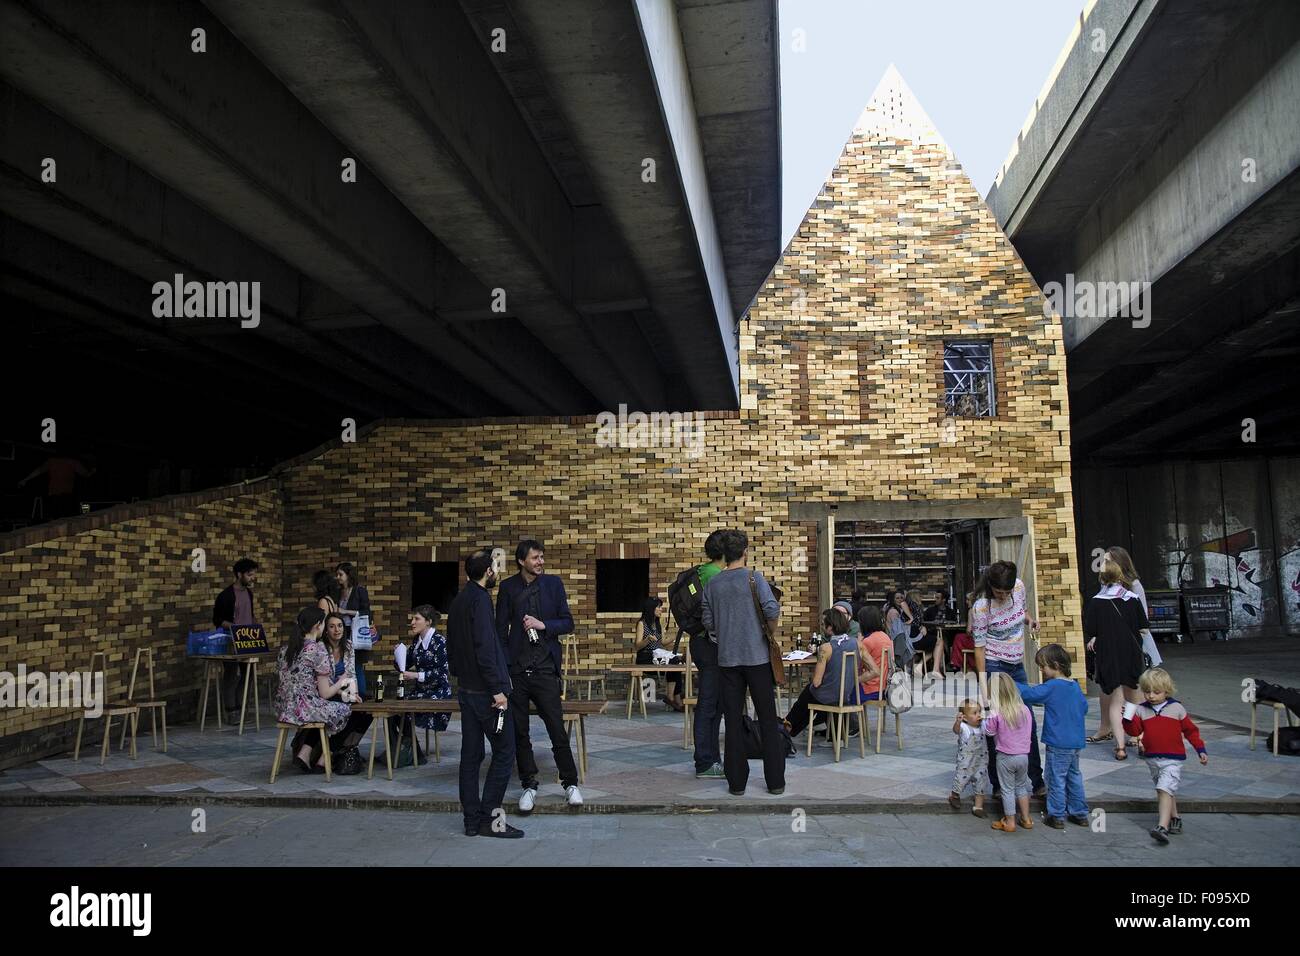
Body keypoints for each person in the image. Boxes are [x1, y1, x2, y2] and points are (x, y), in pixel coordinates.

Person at [495, 539, 581, 812]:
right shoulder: (508, 588)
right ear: (522, 561)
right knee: (520, 732)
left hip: (545, 669)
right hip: (517, 673)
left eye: (542, 557)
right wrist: (507, 667)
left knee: (556, 728)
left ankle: (570, 784)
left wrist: (543, 625)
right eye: (535, 558)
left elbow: (568, 623)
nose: (540, 562)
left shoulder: (553, 584)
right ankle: (528, 785)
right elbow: (500, 632)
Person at [701, 529, 785, 796]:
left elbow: (708, 621)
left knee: (733, 720)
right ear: (745, 552)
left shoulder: (713, 584)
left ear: (724, 555)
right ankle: (775, 782)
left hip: (727, 660)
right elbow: (772, 609)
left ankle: (736, 782)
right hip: (757, 658)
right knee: (768, 718)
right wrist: (767, 633)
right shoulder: (753, 578)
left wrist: (723, 635)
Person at [448, 549, 521, 838]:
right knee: (505, 751)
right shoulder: (480, 600)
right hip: (486, 694)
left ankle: (470, 821)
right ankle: (489, 820)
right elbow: (485, 648)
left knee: (471, 756)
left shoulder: (458, 600)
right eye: (496, 569)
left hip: (466, 690)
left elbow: (452, 647)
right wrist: (498, 690)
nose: (498, 573)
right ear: (488, 572)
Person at [970, 560, 1045, 797]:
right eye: (998, 592)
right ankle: (997, 785)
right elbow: (979, 648)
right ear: (990, 587)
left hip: (1017, 665)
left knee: (1026, 720)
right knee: (996, 724)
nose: (1003, 596)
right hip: (994, 663)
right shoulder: (981, 608)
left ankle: (1037, 780)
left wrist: (1029, 620)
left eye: (1007, 592)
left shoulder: (1020, 588)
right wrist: (984, 686)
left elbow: (1020, 611)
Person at [274, 606, 372, 771]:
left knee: (339, 704)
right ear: (319, 626)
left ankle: (306, 752)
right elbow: (325, 693)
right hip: (305, 709)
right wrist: (341, 682)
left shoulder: (286, 649)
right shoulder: (318, 650)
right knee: (346, 709)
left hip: (283, 707)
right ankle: (326, 755)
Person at [1122, 667, 1207, 845]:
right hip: (1152, 758)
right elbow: (1134, 731)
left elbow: (1191, 731)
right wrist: (1127, 718)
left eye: (1156, 692)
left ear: (1167, 691)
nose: (1151, 696)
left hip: (1173, 758)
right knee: (1166, 791)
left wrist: (1200, 749)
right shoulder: (1141, 710)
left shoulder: (1176, 708)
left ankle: (1162, 826)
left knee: (1163, 789)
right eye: (1147, 692)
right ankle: (1175, 817)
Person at [1017, 644, 1089, 829]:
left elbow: (1030, 694)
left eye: (1043, 666)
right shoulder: (1074, 686)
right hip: (1076, 741)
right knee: (1074, 776)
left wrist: (1011, 682)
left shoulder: (1053, 686)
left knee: (1055, 777)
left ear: (1055, 665)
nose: (1041, 670)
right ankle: (1079, 813)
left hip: (1058, 741)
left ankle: (1056, 815)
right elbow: (1085, 708)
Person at [1084, 557, 1148, 760]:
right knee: (1134, 701)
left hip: (1108, 656)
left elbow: (1092, 630)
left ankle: (1120, 746)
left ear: (1102, 578)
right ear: (1121, 577)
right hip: (1130, 654)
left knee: (1115, 702)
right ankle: (1139, 737)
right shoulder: (1131, 598)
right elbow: (1143, 627)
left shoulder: (1095, 602)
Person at [782, 606, 862, 739]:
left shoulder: (825, 648)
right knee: (814, 697)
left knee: (808, 694)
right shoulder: (857, 644)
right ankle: (830, 734)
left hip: (828, 695)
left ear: (831, 628)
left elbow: (817, 682)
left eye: (824, 625)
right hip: (845, 694)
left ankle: (788, 729)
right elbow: (875, 670)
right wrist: (853, 680)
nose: (823, 628)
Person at [692, 529, 728, 779]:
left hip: (700, 643)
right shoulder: (717, 576)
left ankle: (711, 758)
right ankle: (705, 762)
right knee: (709, 705)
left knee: (713, 704)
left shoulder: (702, 571)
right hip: (711, 645)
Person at [983, 673, 1034, 832]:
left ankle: (1010, 821)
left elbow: (989, 732)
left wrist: (986, 719)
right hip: (1023, 756)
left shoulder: (996, 712)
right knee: (1022, 787)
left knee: (1007, 789)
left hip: (1005, 756)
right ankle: (1026, 819)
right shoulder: (1025, 709)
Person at [212, 558, 259, 720]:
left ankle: (242, 709)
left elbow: (249, 615)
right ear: (239, 575)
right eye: (250, 574)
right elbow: (218, 620)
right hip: (231, 641)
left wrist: (255, 626)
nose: (253, 578)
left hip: (248, 640)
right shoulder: (225, 596)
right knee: (231, 675)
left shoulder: (249, 593)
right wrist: (235, 628)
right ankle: (231, 711)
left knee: (248, 675)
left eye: (254, 575)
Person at [396, 605, 451, 733]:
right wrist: (398, 654)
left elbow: (442, 673)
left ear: (428, 622)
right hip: (421, 691)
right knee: (392, 712)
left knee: (403, 712)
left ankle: (409, 749)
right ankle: (408, 747)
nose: (412, 623)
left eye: (416, 619)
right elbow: (404, 666)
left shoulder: (440, 642)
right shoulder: (417, 641)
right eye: (412, 619)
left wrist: (416, 675)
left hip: (438, 692)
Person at [1107, 545, 1162, 669]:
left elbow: (1143, 616)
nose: (1105, 565)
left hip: (1133, 639)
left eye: (1108, 561)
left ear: (1119, 563)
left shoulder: (1134, 585)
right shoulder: (1106, 585)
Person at [634, 597, 684, 710]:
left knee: (676, 663)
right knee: (674, 662)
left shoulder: (658, 624)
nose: (661, 609)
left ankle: (675, 699)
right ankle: (672, 698)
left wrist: (676, 635)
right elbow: (637, 646)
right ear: (651, 609)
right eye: (659, 607)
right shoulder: (642, 624)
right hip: (645, 657)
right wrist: (647, 640)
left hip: (657, 656)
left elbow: (663, 642)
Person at [948, 699, 987, 818]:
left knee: (981, 782)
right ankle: (955, 795)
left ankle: (978, 806)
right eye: (975, 713)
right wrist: (958, 722)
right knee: (961, 778)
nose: (979, 715)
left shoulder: (982, 726)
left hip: (981, 761)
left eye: (979, 712)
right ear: (965, 717)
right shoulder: (964, 727)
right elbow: (956, 730)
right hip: (966, 761)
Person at [321, 612, 363, 700]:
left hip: (343, 688)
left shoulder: (349, 645)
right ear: (326, 630)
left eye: (340, 625)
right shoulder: (321, 648)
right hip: (326, 691)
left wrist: (354, 693)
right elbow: (324, 682)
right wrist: (344, 694)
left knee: (359, 699)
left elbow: (351, 673)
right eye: (332, 626)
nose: (337, 630)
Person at [856, 605, 891, 702]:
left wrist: (859, 642)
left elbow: (857, 665)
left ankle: (847, 717)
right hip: (884, 687)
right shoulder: (885, 636)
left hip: (870, 688)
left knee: (842, 692)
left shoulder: (868, 641)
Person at [907, 588, 943, 676]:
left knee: (934, 642)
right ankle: (934, 669)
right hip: (915, 641)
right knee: (939, 641)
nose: (921, 598)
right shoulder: (916, 609)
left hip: (908, 640)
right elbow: (916, 625)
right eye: (920, 596)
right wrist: (921, 627)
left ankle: (920, 667)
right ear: (915, 597)